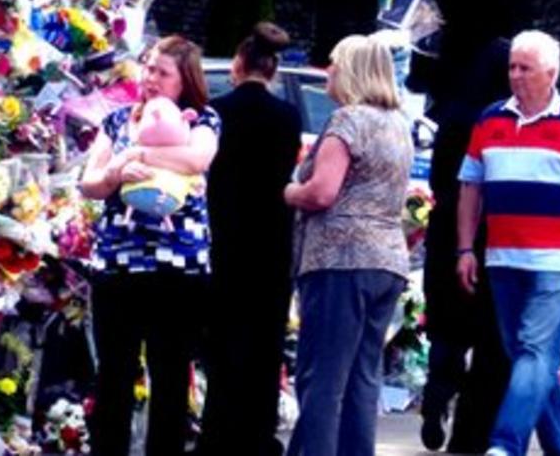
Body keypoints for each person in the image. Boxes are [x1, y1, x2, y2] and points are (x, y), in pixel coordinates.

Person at [456, 30, 560, 456]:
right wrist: (465, 248)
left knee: (533, 352)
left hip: (556, 262)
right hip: (502, 260)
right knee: (531, 361)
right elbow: (470, 187)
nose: (515, 75)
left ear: (551, 73)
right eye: (512, 66)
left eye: (524, 68)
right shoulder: (490, 118)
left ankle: (505, 445)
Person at [81, 35, 221, 456]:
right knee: (113, 377)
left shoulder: (203, 120)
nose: (151, 78)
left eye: (163, 72)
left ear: (185, 81)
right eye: (148, 68)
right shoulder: (116, 120)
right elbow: (90, 182)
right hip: (118, 265)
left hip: (178, 269)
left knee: (171, 377)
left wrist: (134, 154)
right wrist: (113, 175)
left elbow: (197, 160)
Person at [284, 34, 413, 456]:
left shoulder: (347, 121)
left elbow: (322, 192)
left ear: (353, 70)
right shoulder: (399, 123)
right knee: (362, 376)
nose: (328, 70)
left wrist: (288, 190)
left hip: (339, 259)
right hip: (388, 260)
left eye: (334, 63)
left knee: (323, 376)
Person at [199, 23, 302, 456]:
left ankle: (218, 432)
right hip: (272, 237)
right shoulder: (288, 117)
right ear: (274, 69)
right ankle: (257, 434)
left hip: (224, 235)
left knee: (222, 340)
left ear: (238, 65)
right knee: (265, 342)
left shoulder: (217, 111)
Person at [418, 38, 511, 453]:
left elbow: (439, 178)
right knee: (487, 337)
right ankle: (468, 434)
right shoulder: (502, 120)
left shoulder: (454, 115)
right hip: (489, 233)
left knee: (448, 330)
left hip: (447, 231)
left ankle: (437, 395)